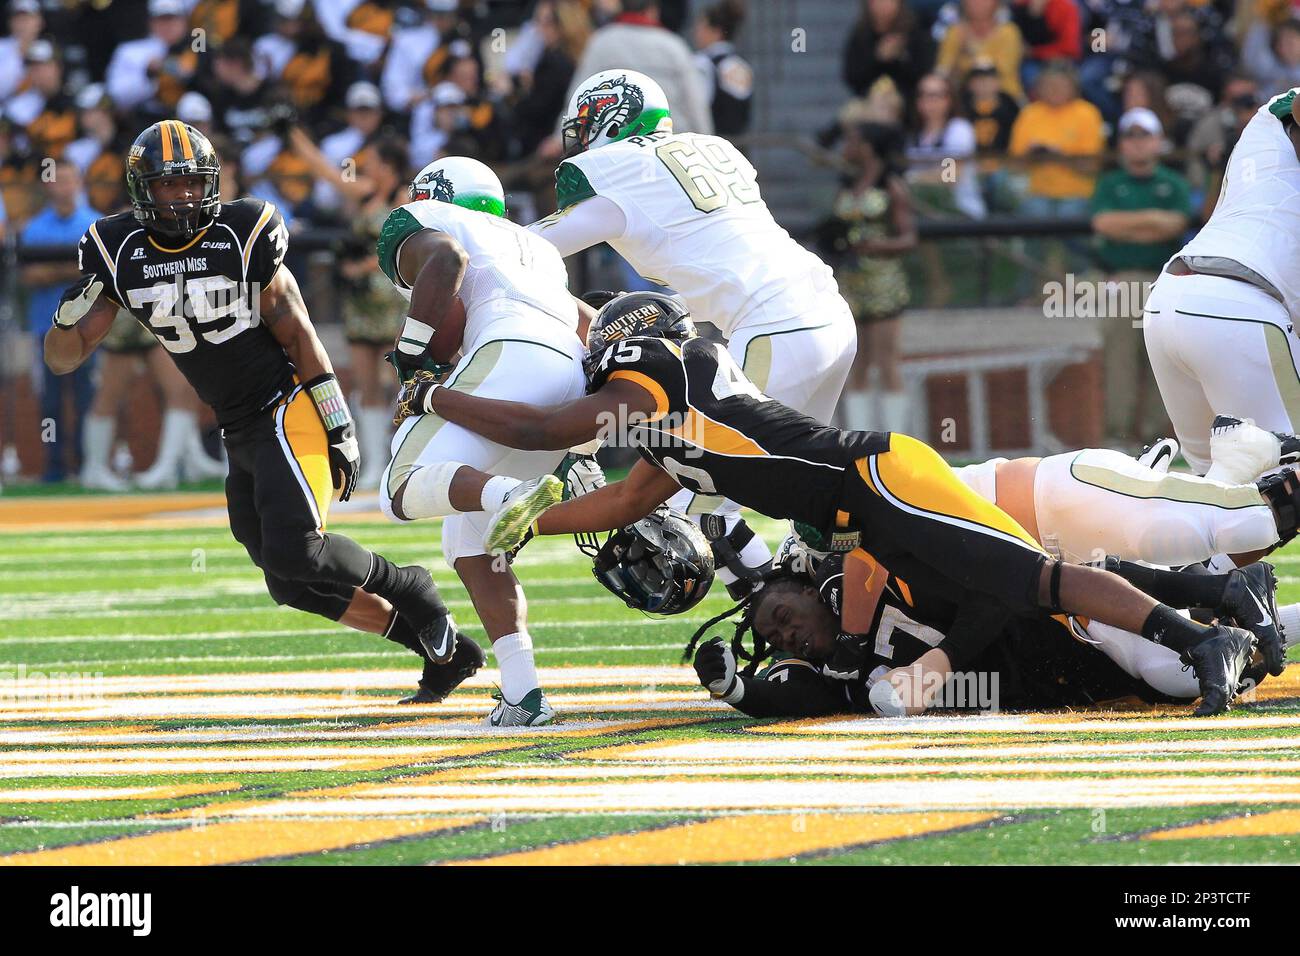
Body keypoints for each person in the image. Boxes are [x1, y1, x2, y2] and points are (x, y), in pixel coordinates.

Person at [396, 291, 1263, 715]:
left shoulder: (664, 372)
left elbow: (545, 423)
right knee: (1033, 584)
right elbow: (624, 502)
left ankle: (1205, 631)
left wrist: (436, 398)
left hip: (876, 480)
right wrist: (530, 520)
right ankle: (1208, 626)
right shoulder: (671, 427)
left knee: (1037, 580)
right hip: (865, 507)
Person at [45, 120, 479, 704]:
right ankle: (440, 651)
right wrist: (66, 320)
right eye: (168, 186)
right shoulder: (120, 250)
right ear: (142, 191)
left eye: (192, 184)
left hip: (286, 405)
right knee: (288, 581)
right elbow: (65, 360)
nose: (183, 198)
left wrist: (338, 424)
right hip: (237, 423)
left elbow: (298, 332)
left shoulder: (241, 233)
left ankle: (412, 587)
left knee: (296, 548)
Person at [526, 69, 857, 598]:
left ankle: (781, 629)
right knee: (808, 494)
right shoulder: (703, 152)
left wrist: (471, 248)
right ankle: (845, 624)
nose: (583, 139)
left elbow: (524, 254)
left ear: (613, 117)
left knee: (701, 510)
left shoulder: (621, 177)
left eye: (587, 125)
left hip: (774, 327)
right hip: (828, 316)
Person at [373, 156, 590, 726]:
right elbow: (587, 321)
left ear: (434, 195)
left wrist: (413, 356)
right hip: (568, 368)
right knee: (472, 546)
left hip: (508, 352)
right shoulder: (531, 244)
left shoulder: (426, 219)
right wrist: (587, 444)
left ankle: (510, 495)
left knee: (399, 484)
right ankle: (524, 697)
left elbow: (445, 260)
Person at [691, 547, 1286, 719]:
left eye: (784, 619)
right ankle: (1238, 606)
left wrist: (942, 662)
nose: (786, 637)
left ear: (805, 588)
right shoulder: (838, 665)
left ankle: (1215, 589)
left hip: (1065, 623)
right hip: (1066, 680)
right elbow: (800, 697)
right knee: (1170, 680)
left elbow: (996, 595)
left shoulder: (882, 575)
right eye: (775, 638)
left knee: (1175, 675)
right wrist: (739, 692)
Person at [1143, 87, 1300, 478]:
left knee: (1215, 501)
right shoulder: (1278, 114)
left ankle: (1126, 517)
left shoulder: (1266, 142)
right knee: (1285, 480)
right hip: (1239, 303)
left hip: (1171, 299)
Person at [1090, 107, 1191, 445]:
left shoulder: (1173, 182)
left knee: (1163, 361)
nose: (1137, 143)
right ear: (1121, 143)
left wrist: (1128, 224)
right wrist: (1152, 222)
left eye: (1144, 135)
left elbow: (1176, 225)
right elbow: (1103, 224)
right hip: (1122, 279)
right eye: (1130, 136)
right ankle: (1118, 437)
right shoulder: (1110, 183)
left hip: (1168, 280)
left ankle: (1156, 438)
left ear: (1158, 141)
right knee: (1120, 359)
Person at [827, 121, 916, 433]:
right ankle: (859, 437)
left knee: (887, 359)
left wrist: (874, 245)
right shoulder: (847, 183)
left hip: (882, 281)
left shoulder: (891, 185)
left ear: (868, 146)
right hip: (851, 282)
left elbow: (908, 237)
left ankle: (896, 437)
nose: (847, 147)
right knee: (858, 361)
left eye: (853, 140)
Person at [21, 159, 99, 484]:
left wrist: (52, 271)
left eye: (70, 180)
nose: (64, 187)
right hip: (46, 327)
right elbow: (29, 275)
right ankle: (54, 466)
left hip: (89, 328)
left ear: (78, 183)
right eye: (58, 180)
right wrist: (72, 270)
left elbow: (98, 276)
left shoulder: (94, 223)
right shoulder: (34, 228)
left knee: (86, 398)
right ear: (49, 185)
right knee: (50, 401)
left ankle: (86, 463)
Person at [842, 0, 935, 104]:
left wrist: (899, 57)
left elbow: (925, 72)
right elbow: (852, 76)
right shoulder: (861, 35)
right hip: (868, 100)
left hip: (910, 102)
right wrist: (878, 58)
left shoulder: (916, 32)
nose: (883, 6)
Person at [935, 0, 1025, 101]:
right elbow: (943, 69)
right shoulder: (954, 32)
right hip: (964, 98)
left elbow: (1003, 69)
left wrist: (966, 59)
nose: (977, 3)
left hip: (1006, 97)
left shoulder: (1009, 32)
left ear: (996, 3)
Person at [692, 0, 753, 138]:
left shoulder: (701, 63)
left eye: (702, 26)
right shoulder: (742, 64)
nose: (696, 32)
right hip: (737, 146)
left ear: (717, 31)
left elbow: (697, 108)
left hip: (709, 145)